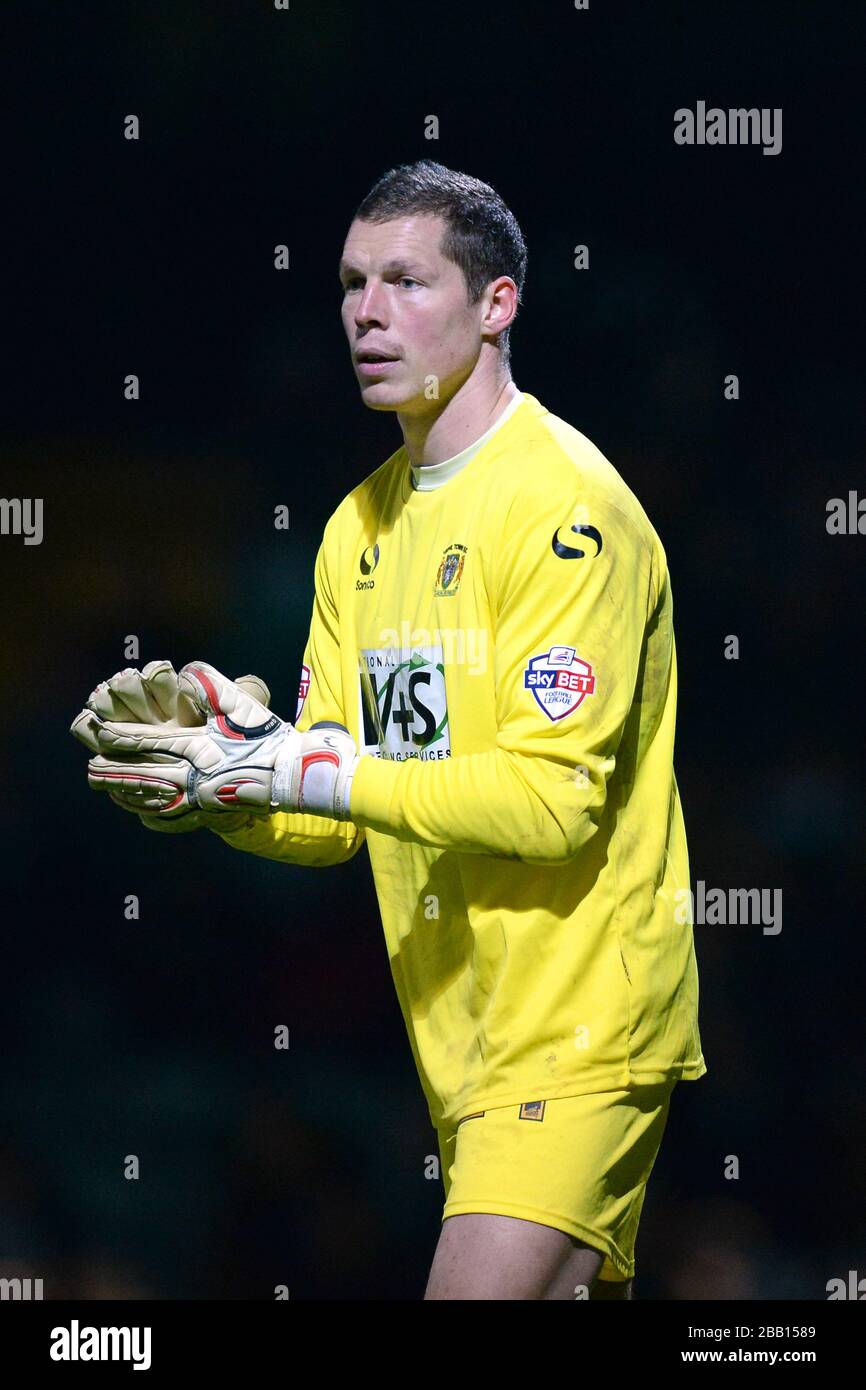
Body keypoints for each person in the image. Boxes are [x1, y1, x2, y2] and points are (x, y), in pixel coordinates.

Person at [75, 159, 707, 1300]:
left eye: (405, 282)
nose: (365, 312)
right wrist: (223, 787)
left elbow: (548, 801)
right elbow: (331, 823)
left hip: (577, 1032)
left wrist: (300, 764)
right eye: (351, 283)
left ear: (497, 303)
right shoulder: (354, 529)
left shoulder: (568, 509)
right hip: (457, 1048)